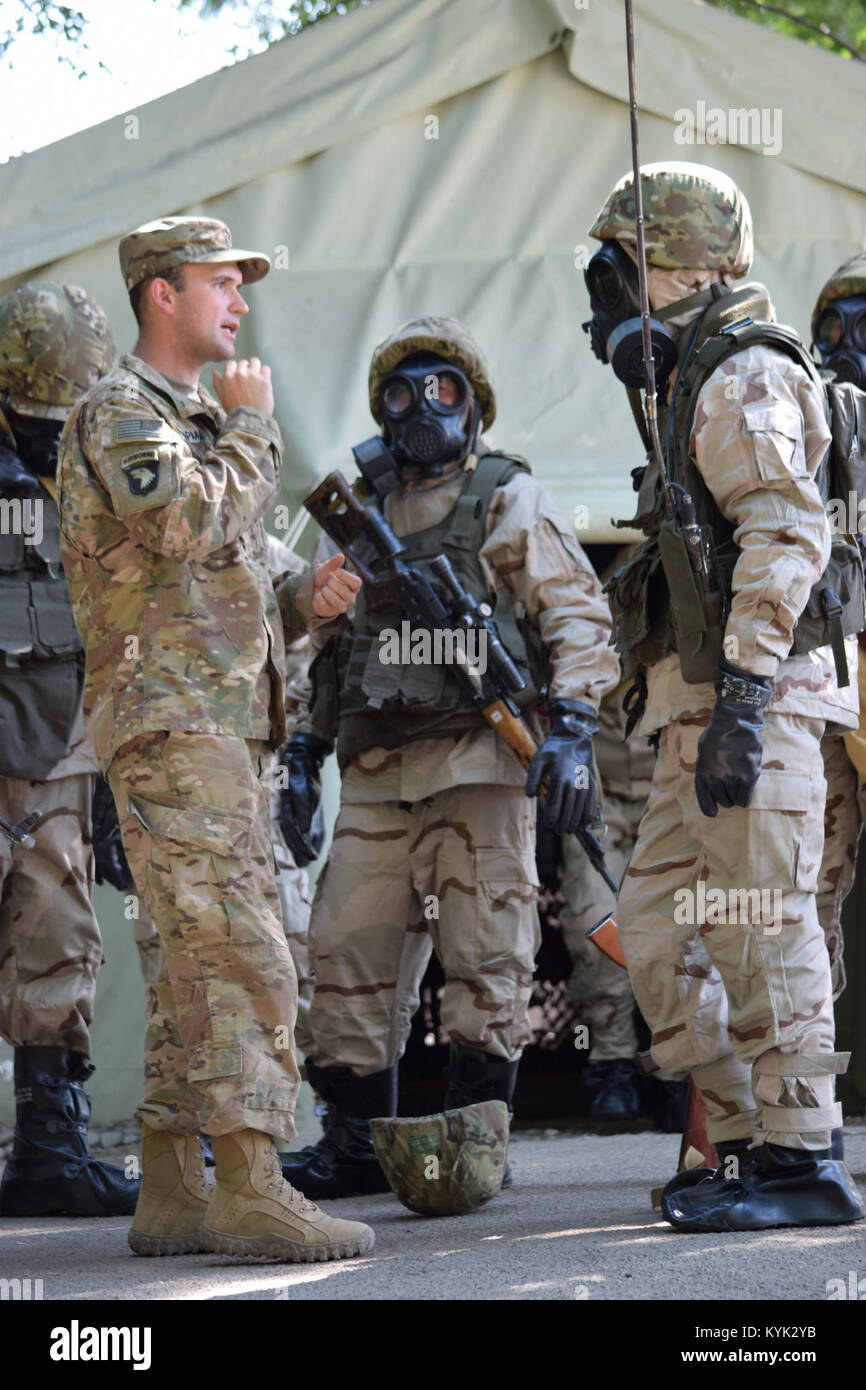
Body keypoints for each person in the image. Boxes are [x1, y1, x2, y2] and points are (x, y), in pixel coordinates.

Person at [58, 215, 372, 1263]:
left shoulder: (191, 416)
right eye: (220, 283)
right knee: (243, 952)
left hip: (214, 722)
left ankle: (171, 1188)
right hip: (172, 721)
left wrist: (304, 594)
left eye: (243, 286)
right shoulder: (121, 411)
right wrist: (253, 431)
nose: (239, 302)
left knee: (193, 957)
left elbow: (228, 565)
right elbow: (183, 527)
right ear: (161, 293)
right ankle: (249, 1183)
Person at [280, 315, 619, 1201]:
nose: (423, 409)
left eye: (444, 390)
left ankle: (475, 1145)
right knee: (345, 951)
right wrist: (301, 753)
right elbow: (321, 647)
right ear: (379, 412)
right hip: (376, 775)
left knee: (488, 956)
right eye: (403, 392)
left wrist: (573, 728)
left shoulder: (509, 498)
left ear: (475, 406)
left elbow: (576, 615)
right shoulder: (353, 515)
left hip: (480, 766)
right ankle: (354, 1143)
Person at [585, 162, 864, 1231]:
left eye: (615, 261)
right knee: (654, 929)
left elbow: (784, 531)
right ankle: (747, 1141)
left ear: (657, 261)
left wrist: (744, 700)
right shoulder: (683, 368)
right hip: (691, 707)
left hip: (758, 698)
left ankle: (801, 1160)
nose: (599, 282)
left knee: (761, 920)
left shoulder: (740, 371)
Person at [0, 281, 140, 1218]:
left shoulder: (113, 469)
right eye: (32, 418)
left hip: (58, 759)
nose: (50, 435)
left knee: (57, 950)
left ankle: (49, 1150)